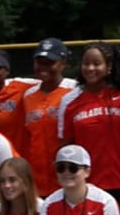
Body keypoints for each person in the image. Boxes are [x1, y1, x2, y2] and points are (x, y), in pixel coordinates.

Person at [58, 42, 120, 204]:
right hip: (85, 185)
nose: (90, 68)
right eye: (86, 63)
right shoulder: (69, 101)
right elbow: (66, 147)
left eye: (97, 63)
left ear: (109, 67)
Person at [19, 38, 78, 196]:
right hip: (37, 179)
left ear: (63, 63)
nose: (43, 67)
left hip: (67, 175)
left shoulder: (74, 90)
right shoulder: (28, 95)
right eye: (39, 62)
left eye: (49, 63)